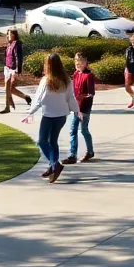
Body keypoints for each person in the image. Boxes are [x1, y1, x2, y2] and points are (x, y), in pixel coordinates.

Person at [21, 52, 80, 184]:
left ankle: (55, 164)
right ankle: (52, 167)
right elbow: (70, 98)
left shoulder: (46, 81)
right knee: (52, 142)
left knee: (42, 141)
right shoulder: (66, 80)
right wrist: (76, 110)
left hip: (49, 116)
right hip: (61, 116)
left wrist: (30, 113)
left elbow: (38, 100)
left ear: (48, 66)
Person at [65, 52, 96, 163]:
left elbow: (91, 93)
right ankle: (75, 154)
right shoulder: (76, 74)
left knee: (82, 130)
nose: (78, 63)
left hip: (84, 108)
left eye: (81, 61)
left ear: (85, 62)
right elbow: (73, 91)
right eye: (76, 61)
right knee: (74, 130)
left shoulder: (89, 76)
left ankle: (87, 152)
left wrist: (82, 108)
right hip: (76, 107)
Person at [0, 28, 31, 114]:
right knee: (8, 89)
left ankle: (8, 106)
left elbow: (18, 57)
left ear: (14, 35)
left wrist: (18, 69)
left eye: (9, 34)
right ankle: (12, 104)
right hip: (7, 68)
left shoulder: (17, 44)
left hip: (13, 69)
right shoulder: (9, 44)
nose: (7, 36)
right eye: (7, 34)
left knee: (9, 89)